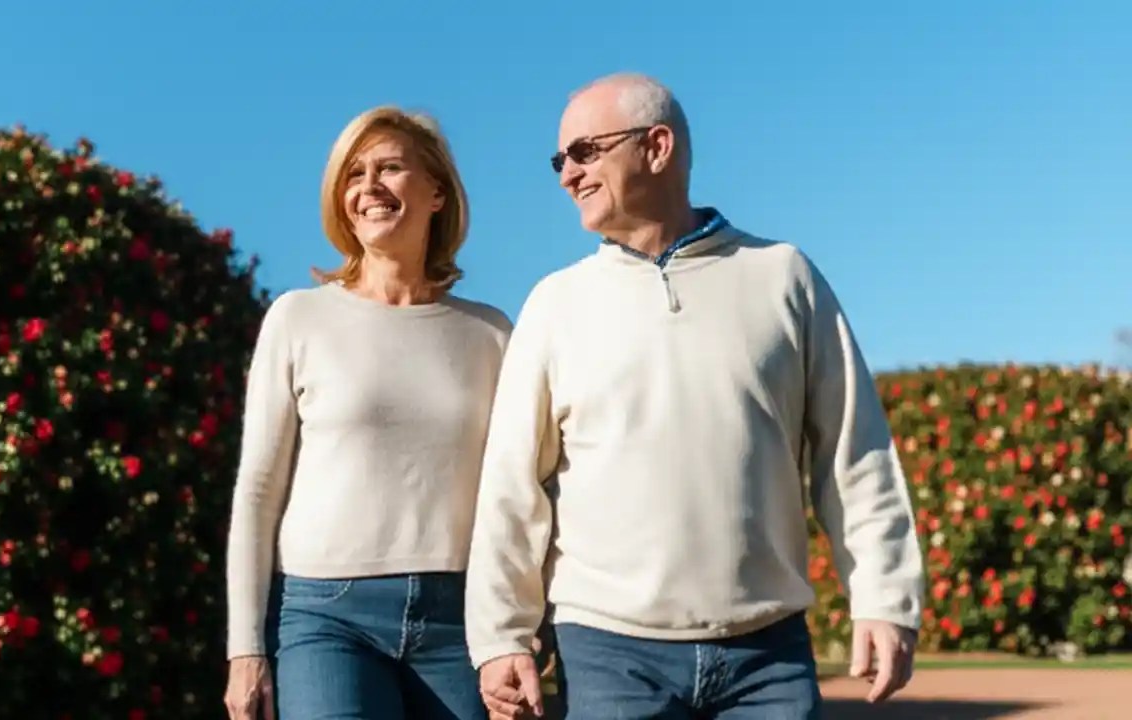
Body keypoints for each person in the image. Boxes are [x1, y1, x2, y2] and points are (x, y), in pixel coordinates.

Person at [464, 72, 926, 719]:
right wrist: (500, 636)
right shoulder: (554, 304)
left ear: (657, 147)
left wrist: (884, 595)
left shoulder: (784, 276)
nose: (567, 174)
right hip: (607, 652)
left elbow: (854, 454)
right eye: (559, 159)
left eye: (585, 151)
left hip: (769, 660)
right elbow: (511, 487)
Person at [223, 106, 512, 720]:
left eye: (389, 168)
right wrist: (245, 649)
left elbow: (516, 493)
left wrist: (517, 632)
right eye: (353, 175)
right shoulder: (299, 318)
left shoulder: (491, 334)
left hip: (462, 619)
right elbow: (258, 490)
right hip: (326, 617)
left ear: (437, 193)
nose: (368, 188)